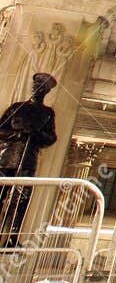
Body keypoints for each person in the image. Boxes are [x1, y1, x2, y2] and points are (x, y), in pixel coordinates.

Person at [0, 73, 59, 245]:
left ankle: (12, 237)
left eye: (40, 87)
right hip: (7, 157)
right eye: (35, 85)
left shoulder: (47, 113)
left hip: (28, 159)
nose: (36, 89)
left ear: (45, 91)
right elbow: (1, 130)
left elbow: (51, 138)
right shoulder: (17, 107)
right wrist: (19, 132)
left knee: (20, 200)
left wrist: (36, 133)